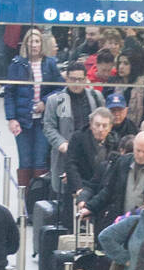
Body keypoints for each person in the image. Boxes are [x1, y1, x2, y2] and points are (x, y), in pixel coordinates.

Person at [4, 27, 60, 186]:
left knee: (40, 160)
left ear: (41, 44)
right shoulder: (16, 64)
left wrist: (45, 101)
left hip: (43, 121)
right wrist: (11, 118)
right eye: (31, 41)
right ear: (25, 44)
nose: (34, 45)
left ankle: (37, 196)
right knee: (25, 160)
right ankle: (25, 198)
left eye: (37, 41)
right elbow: (9, 93)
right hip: (23, 121)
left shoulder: (50, 64)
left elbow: (59, 87)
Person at [82, 130, 144, 229]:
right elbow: (109, 190)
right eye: (138, 150)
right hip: (122, 222)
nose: (140, 155)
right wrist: (90, 207)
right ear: (133, 147)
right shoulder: (123, 162)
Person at [43, 62, 104, 193]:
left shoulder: (96, 97)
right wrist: (61, 143)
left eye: (80, 79)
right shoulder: (57, 100)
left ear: (86, 79)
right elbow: (49, 127)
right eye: (73, 79)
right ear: (66, 79)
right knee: (66, 196)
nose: (77, 83)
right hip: (66, 156)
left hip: (91, 156)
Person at [67, 106, 114, 204]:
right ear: (91, 124)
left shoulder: (114, 141)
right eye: (97, 125)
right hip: (82, 186)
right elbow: (71, 164)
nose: (101, 129)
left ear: (110, 127)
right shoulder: (78, 138)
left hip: (103, 191)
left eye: (105, 126)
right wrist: (78, 188)